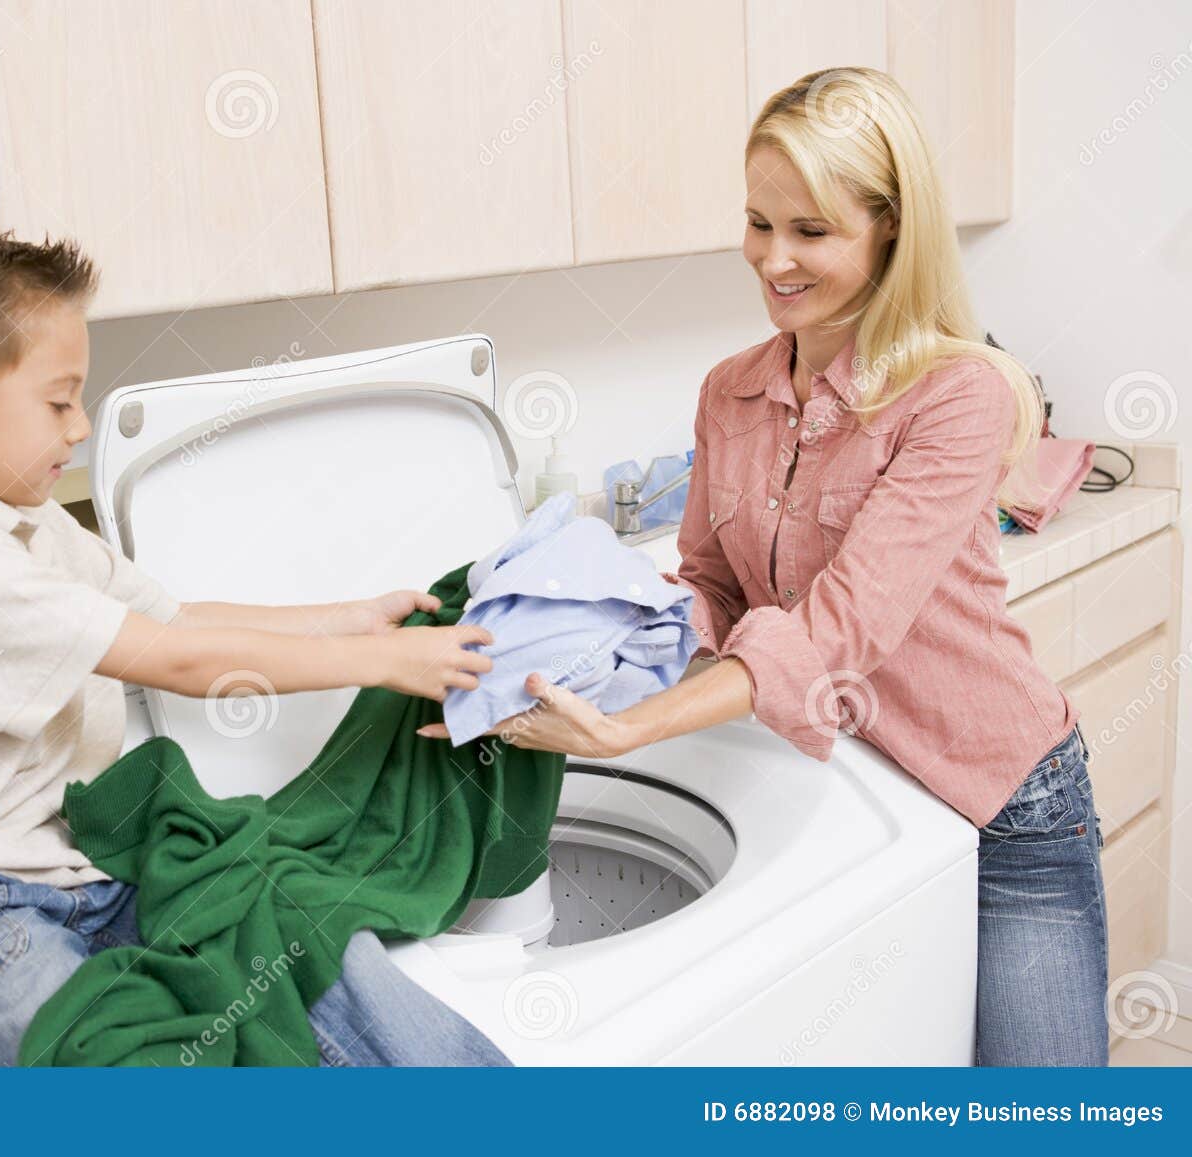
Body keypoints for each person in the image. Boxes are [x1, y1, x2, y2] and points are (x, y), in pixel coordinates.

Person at [420, 68, 1106, 1067]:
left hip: (999, 803)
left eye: (811, 231)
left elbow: (839, 627)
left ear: (889, 229)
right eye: (757, 221)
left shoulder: (958, 394)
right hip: (858, 790)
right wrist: (576, 638)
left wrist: (630, 727)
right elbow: (710, 580)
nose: (772, 258)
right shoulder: (729, 391)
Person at [0, 225, 508, 1066]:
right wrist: (387, 663)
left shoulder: (21, 520)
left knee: (295, 928)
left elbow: (174, 619)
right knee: (112, 1052)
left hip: (84, 867)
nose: (79, 426)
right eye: (58, 400)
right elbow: (175, 664)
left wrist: (346, 619)